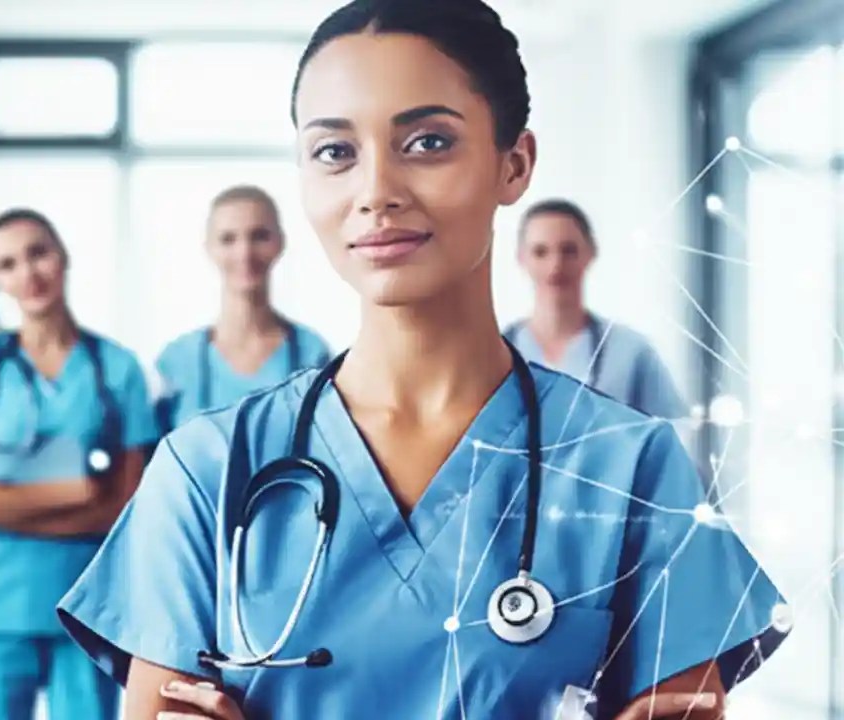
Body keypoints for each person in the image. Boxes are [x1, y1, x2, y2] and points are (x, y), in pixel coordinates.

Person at [56, 2, 787, 719]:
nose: (376, 192)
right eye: (335, 152)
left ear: (514, 164)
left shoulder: (631, 468)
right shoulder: (207, 472)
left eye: (428, 142)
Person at [0, 208, 157, 720]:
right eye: (8, 264)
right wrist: (77, 491)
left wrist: (3, 506)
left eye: (38, 253)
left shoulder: (115, 368)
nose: (28, 272)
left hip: (86, 607)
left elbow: (125, 506)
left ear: (63, 256)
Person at [153, 185, 332, 433]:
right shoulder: (177, 360)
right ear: (209, 248)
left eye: (259, 236)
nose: (244, 253)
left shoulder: (311, 354)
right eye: (228, 239)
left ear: (280, 242)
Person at [504, 198, 688, 419]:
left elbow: (674, 430)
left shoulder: (632, 354)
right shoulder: (492, 356)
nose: (555, 266)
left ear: (591, 253)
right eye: (540, 252)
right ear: (521, 258)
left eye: (569, 250)